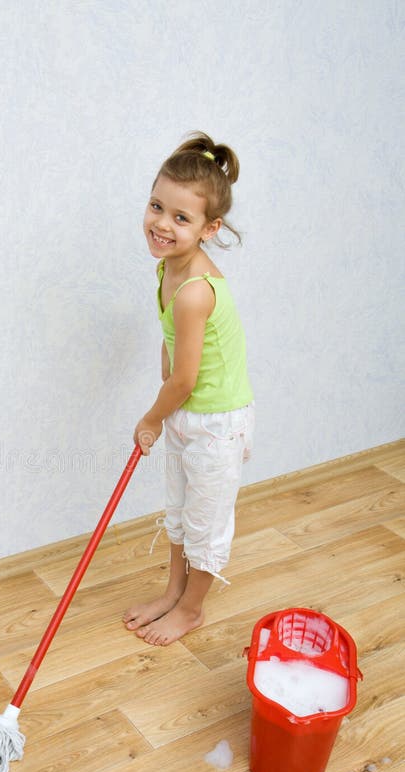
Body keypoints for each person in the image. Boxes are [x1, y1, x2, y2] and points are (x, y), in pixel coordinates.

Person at [123, 132, 254, 646]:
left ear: (209, 228)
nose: (162, 223)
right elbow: (172, 343)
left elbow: (186, 378)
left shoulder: (197, 289)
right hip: (185, 411)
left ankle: (192, 609)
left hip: (216, 422)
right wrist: (168, 404)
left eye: (181, 218)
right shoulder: (166, 269)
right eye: (157, 206)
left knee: (205, 523)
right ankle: (173, 592)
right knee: (178, 512)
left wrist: (152, 416)